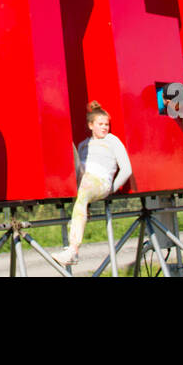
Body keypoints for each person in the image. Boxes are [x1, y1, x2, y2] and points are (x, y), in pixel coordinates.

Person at [53, 101, 133, 266]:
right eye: (100, 124)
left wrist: (112, 188)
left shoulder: (112, 141)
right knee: (69, 148)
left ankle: (73, 250)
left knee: (83, 192)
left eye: (107, 124)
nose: (104, 127)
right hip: (83, 180)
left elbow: (127, 169)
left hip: (101, 181)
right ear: (91, 125)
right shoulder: (84, 145)